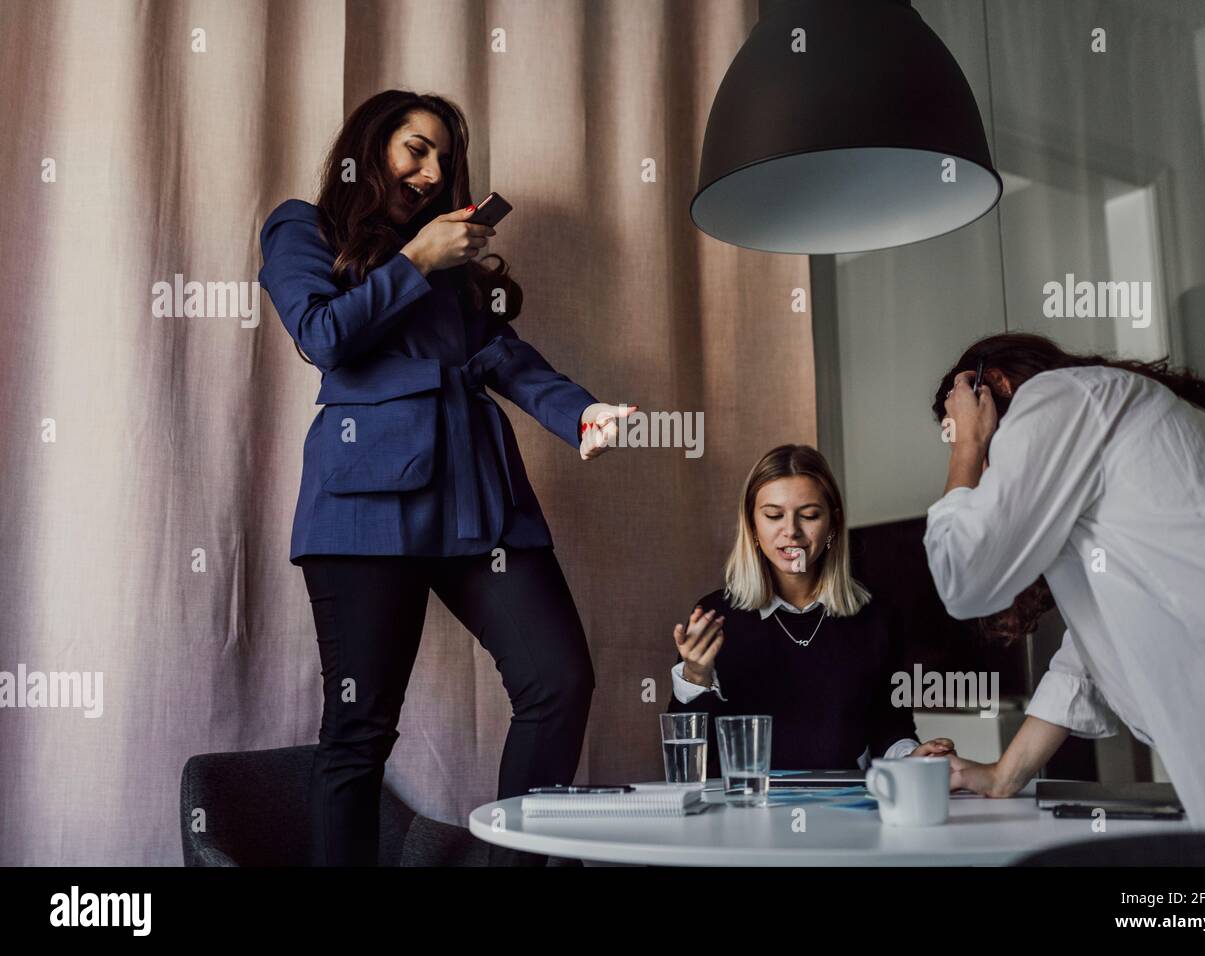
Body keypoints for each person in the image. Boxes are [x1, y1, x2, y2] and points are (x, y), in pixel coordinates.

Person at [258, 89, 635, 865]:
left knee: (557, 681)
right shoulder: (303, 225)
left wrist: (581, 415)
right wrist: (416, 261)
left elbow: (499, 354)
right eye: (414, 148)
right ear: (370, 148)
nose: (431, 170)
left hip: (479, 501)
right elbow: (323, 334)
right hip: (363, 511)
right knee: (359, 732)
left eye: (442, 158)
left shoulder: (452, 264)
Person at [923, 332, 1205, 828]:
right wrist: (1003, 776)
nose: (986, 465)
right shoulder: (1102, 424)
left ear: (991, 385)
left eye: (959, 424)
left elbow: (961, 573)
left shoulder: (1052, 399)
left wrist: (966, 448)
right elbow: (1088, 647)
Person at [668, 444, 955, 778]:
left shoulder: (875, 616)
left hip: (843, 812)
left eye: (809, 515)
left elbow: (888, 726)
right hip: (742, 812)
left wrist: (912, 756)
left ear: (832, 525)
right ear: (753, 528)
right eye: (773, 515)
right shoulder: (716, 615)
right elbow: (687, 762)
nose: (791, 530)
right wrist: (696, 677)